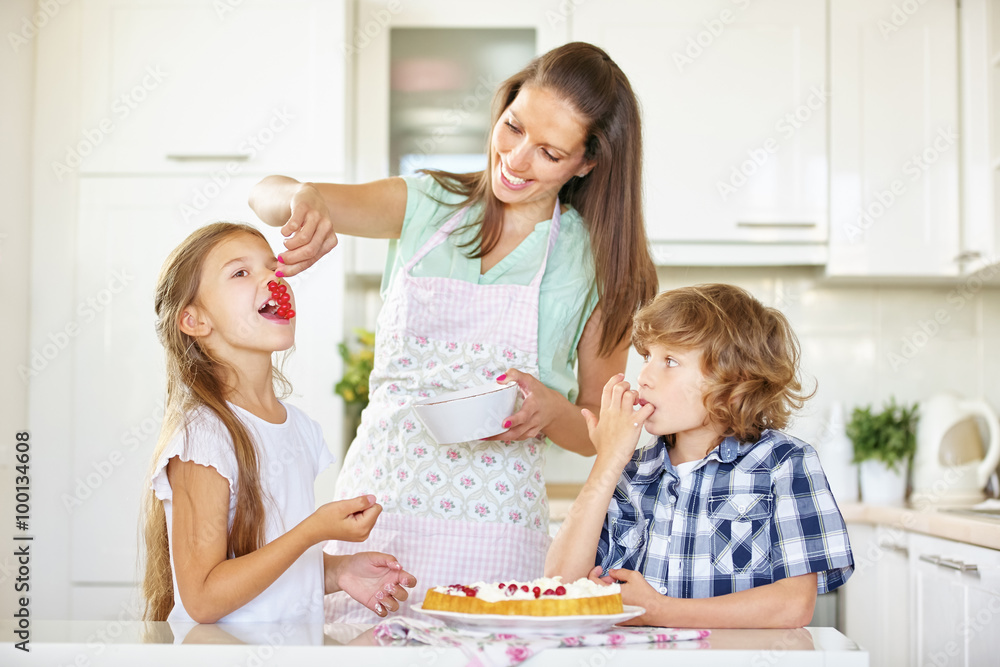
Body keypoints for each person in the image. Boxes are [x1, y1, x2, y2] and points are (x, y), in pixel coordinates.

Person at [248, 42, 658, 621]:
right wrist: (302, 198)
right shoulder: (425, 204)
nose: (515, 159)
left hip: (496, 535)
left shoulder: (597, 263)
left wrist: (551, 412)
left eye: (549, 152)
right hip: (374, 516)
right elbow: (263, 193)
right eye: (512, 128)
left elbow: (601, 427)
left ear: (587, 163)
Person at [141, 222, 415, 624]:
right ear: (195, 320)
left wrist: (337, 571)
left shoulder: (300, 429)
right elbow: (203, 598)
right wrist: (313, 530)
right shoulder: (204, 435)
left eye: (273, 267)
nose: (273, 278)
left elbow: (261, 561)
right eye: (240, 272)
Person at [545, 284, 854, 628]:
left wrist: (659, 610)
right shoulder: (629, 472)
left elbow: (793, 605)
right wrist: (607, 461)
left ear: (733, 380)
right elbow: (560, 587)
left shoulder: (784, 463)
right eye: (648, 357)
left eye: (670, 361)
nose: (644, 377)